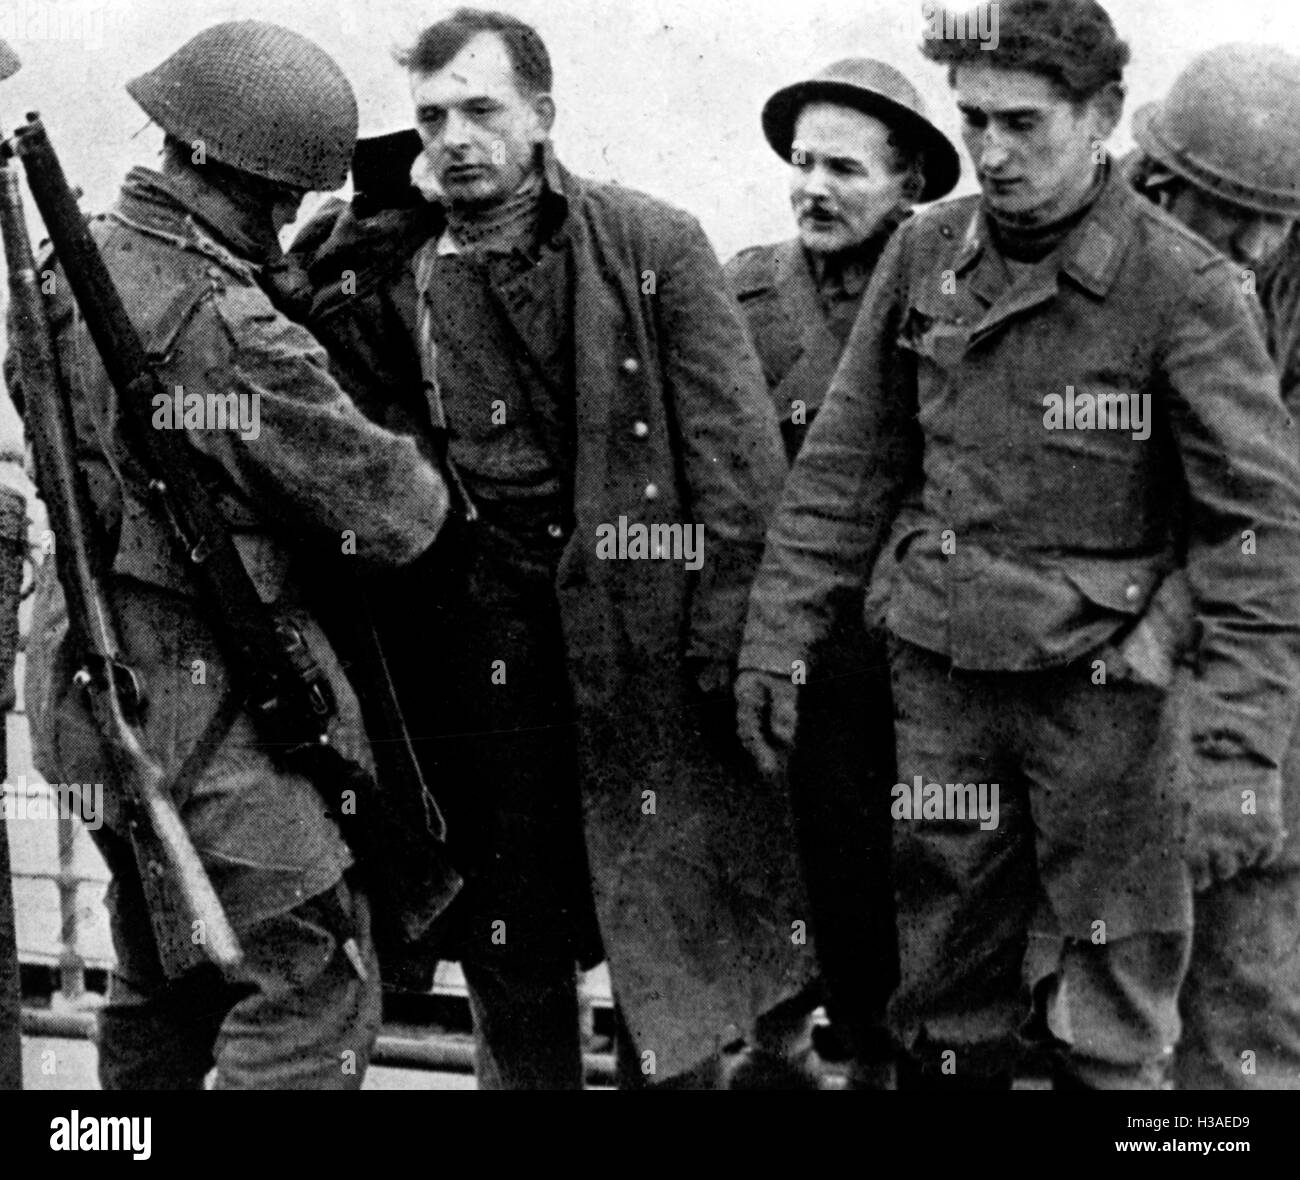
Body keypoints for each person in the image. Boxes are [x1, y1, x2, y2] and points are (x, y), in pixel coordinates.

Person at [736, 0, 1300, 1089]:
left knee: (1113, 1014)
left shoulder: (1185, 290)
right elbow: (845, 470)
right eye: (974, 120)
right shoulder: (922, 248)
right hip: (943, 684)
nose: (991, 153)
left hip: (1106, 702)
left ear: (1102, 120)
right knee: (944, 997)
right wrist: (778, 638)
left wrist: (1235, 759)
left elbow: (1252, 536)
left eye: (1023, 124)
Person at [291, 8, 812, 1089]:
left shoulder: (648, 244)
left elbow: (736, 466)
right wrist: (336, 264)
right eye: (432, 116)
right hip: (481, 664)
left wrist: (735, 648)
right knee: (508, 936)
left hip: (643, 649)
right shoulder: (397, 263)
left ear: (541, 116)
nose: (456, 138)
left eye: (483, 110)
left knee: (666, 938)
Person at [15, 20, 451, 1089]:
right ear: (263, 190)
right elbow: (399, 513)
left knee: (172, 967)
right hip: (203, 710)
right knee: (313, 981)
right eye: (287, 203)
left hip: (84, 687)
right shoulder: (235, 327)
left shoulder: (65, 276)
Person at [722, 58, 958, 1088]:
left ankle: (877, 1051)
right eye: (803, 163)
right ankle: (767, 1048)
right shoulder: (742, 289)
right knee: (755, 864)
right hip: (761, 634)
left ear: (907, 186)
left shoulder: (946, 303)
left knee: (880, 876)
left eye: (846, 170)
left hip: (884, 647)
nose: (813, 187)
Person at [1126, 43, 1300, 1089]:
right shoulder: (1100, 258)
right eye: (1229, 214)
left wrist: (1174, 603)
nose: (1261, 242)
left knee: (1248, 1000)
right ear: (1162, 186)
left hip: (1255, 684)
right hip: (1094, 686)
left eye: (1279, 216)